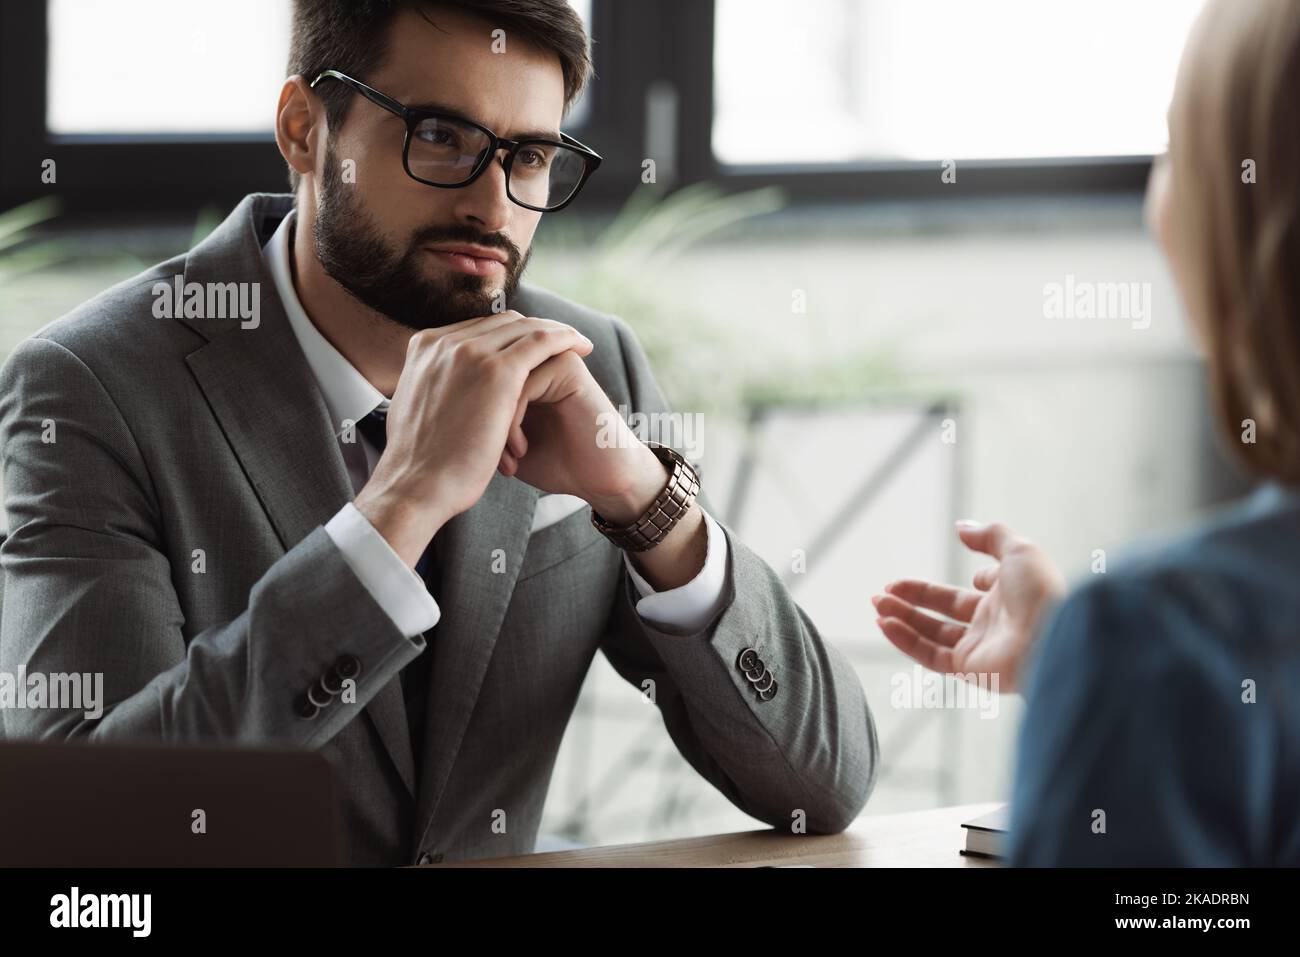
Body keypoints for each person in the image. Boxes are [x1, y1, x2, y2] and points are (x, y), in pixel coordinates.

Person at [0, 0, 878, 866]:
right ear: (305, 129)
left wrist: (648, 506)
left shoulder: (588, 363)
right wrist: (400, 506)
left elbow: (822, 786)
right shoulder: (91, 389)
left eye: (527, 155)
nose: (492, 205)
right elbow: (89, 824)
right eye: (440, 137)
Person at [874, 0, 1300, 866]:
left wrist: (1129, 670)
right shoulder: (1163, 644)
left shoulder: (1163, 632)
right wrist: (1088, 684)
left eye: (1178, 152)